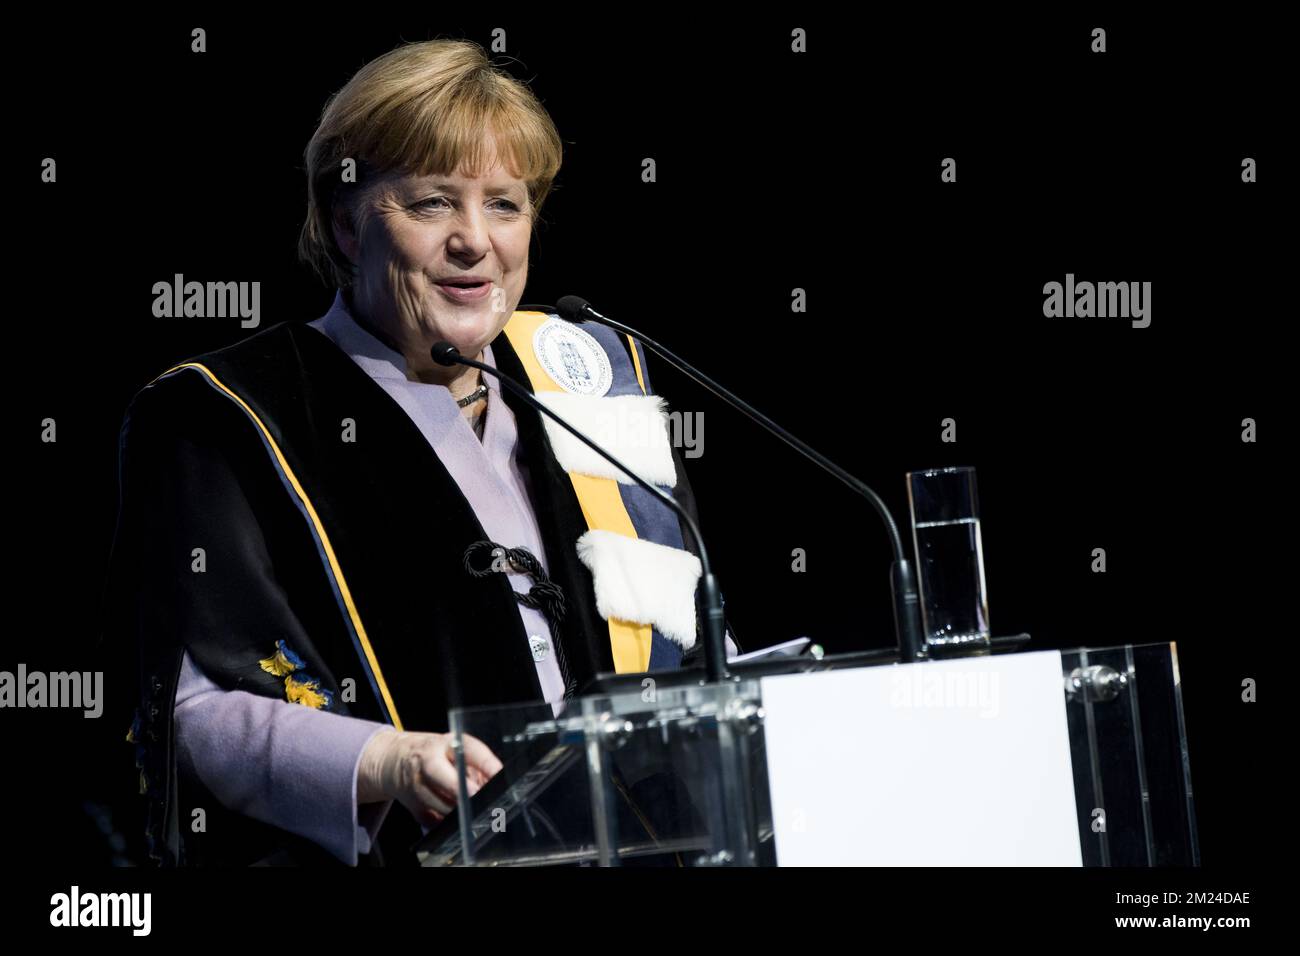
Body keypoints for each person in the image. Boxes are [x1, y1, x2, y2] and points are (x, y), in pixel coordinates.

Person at [103, 37, 736, 867]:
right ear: (347, 224)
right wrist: (385, 762)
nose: (476, 241)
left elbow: (698, 659)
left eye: (504, 205)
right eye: (433, 203)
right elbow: (196, 706)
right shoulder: (227, 414)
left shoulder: (585, 388)